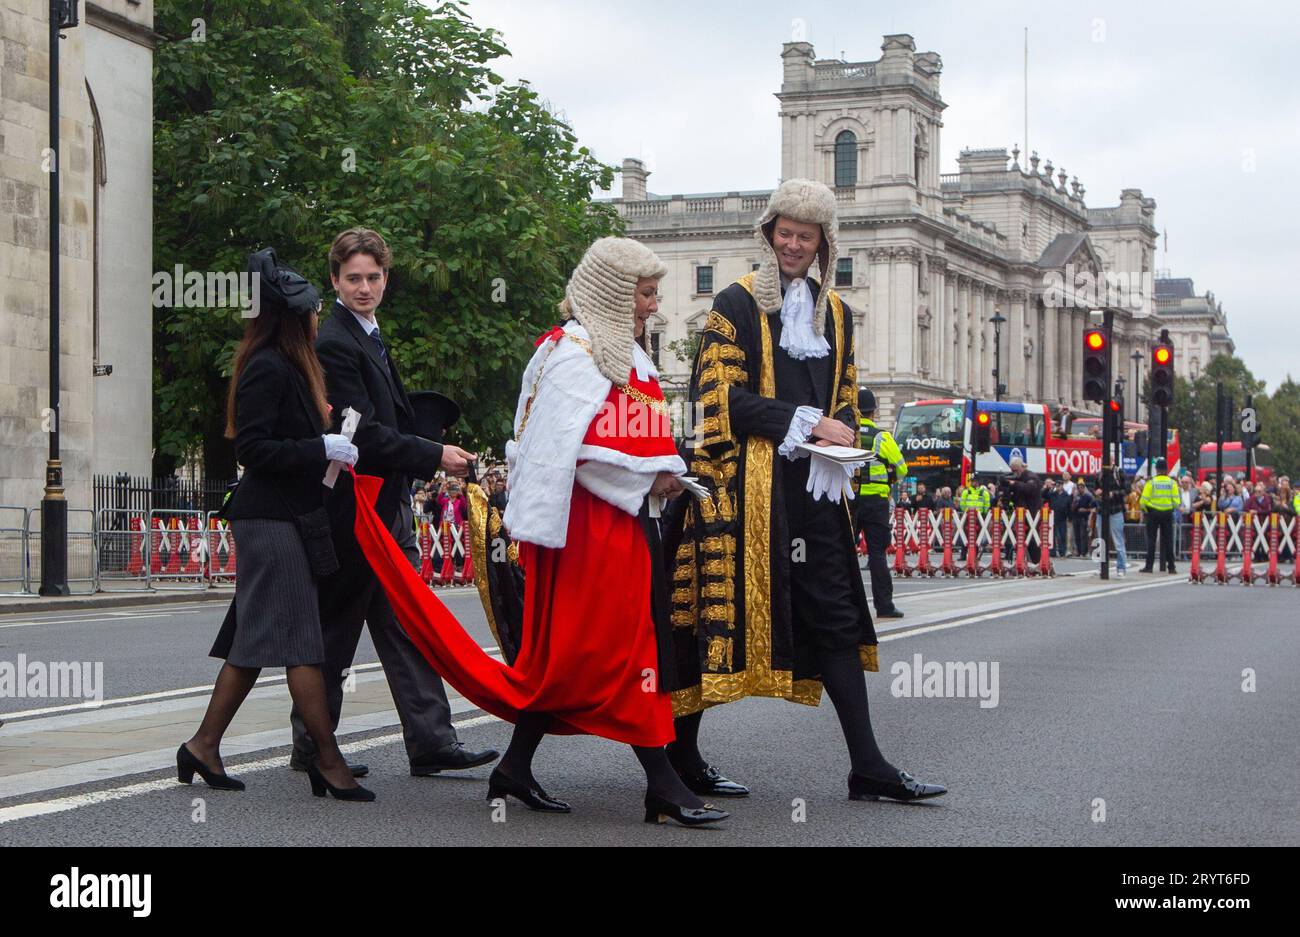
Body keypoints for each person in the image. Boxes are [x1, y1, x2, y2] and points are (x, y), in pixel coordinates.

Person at [348, 237, 729, 827]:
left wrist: (659, 474)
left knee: (569, 657)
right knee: (625, 651)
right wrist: (651, 478)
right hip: (587, 531)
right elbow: (563, 453)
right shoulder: (578, 355)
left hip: (614, 523)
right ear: (615, 293)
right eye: (647, 294)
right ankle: (662, 785)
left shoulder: (610, 350)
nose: (655, 306)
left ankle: (515, 768)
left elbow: (615, 440)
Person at [668, 179, 946, 803]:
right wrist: (805, 420)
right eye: (784, 233)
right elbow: (716, 401)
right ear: (769, 235)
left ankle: (868, 766)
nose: (792, 245)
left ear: (824, 243)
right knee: (716, 619)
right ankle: (681, 756)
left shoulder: (839, 315)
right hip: (743, 496)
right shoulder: (734, 305)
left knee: (839, 617)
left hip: (817, 493)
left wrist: (842, 435)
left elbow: (844, 396)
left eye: (805, 236)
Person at [289, 228, 497, 778]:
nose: (364, 287)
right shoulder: (335, 341)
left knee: (407, 622)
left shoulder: (369, 334)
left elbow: (385, 423)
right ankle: (313, 743)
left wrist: (424, 439)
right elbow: (364, 436)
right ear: (334, 280)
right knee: (337, 627)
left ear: (386, 277)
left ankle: (430, 741)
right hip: (356, 511)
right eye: (353, 278)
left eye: (373, 277)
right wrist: (434, 453)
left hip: (385, 506)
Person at [184, 249, 373, 801]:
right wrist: (320, 447)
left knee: (251, 643)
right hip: (270, 521)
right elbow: (254, 448)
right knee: (301, 644)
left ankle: (203, 745)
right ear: (296, 319)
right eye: (313, 311)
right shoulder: (269, 366)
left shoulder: (287, 366)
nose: (318, 318)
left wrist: (328, 441)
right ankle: (327, 760)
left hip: (282, 517)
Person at [852, 387, 907, 620]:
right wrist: (889, 475)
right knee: (877, 554)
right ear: (873, 411)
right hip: (876, 503)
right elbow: (902, 468)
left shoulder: (848, 432)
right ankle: (884, 606)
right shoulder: (881, 437)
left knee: (844, 552)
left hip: (851, 500)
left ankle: (847, 605)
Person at [1140, 457, 1179, 574]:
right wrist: (1170, 508)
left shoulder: (1151, 482)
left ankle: (1149, 566)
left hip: (1153, 513)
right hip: (1167, 513)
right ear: (1166, 470)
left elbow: (1143, 502)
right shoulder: (1172, 483)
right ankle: (1171, 567)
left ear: (1156, 470)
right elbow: (1176, 502)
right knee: (1168, 541)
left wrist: (1147, 511)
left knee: (1151, 540)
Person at [1005, 456, 1043, 564]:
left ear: (1021, 467)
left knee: (1032, 538)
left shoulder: (1031, 477)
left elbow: (1030, 489)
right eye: (1012, 470)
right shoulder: (1018, 477)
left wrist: (1015, 484)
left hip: (1032, 513)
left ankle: (1035, 562)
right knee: (1019, 537)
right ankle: (1022, 561)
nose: (1013, 473)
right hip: (1020, 513)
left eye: (1015, 470)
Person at [1046, 477, 1073, 558]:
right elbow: (1044, 495)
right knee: (1052, 535)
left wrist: (1070, 518)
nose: (1058, 487)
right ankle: (1052, 552)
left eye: (1059, 485)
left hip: (1062, 518)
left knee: (1062, 535)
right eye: (1057, 486)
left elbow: (1069, 507)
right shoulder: (1052, 494)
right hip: (1053, 517)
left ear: (1062, 486)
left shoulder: (1066, 496)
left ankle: (1062, 551)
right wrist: (1050, 487)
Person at [1071, 483, 1098, 558]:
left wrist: (1085, 510)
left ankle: (1084, 552)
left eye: (1081, 488)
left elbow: (1094, 508)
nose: (1080, 490)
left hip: (1084, 518)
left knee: (1083, 535)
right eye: (1078, 488)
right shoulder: (1076, 497)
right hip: (1076, 517)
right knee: (1077, 535)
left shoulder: (1088, 496)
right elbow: (1072, 508)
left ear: (1084, 488)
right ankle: (1078, 552)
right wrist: (1074, 504)